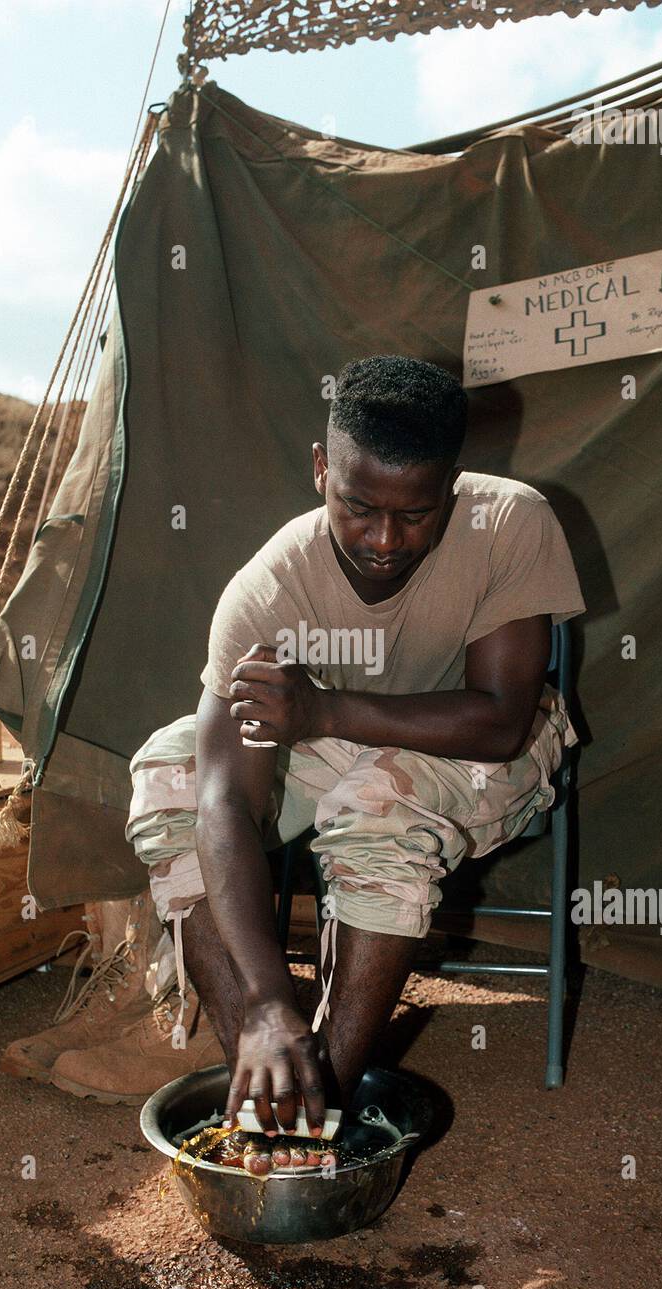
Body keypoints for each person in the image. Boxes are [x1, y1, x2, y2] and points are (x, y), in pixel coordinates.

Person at [56, 355, 586, 1114]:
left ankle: (325, 1103)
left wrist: (325, 713)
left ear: (453, 485)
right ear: (319, 469)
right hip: (339, 734)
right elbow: (221, 801)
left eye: (416, 513)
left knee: (378, 807)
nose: (384, 539)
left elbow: (499, 722)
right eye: (359, 505)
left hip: (481, 740)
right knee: (170, 775)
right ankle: (263, 1066)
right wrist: (272, 998)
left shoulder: (510, 520)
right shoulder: (269, 588)